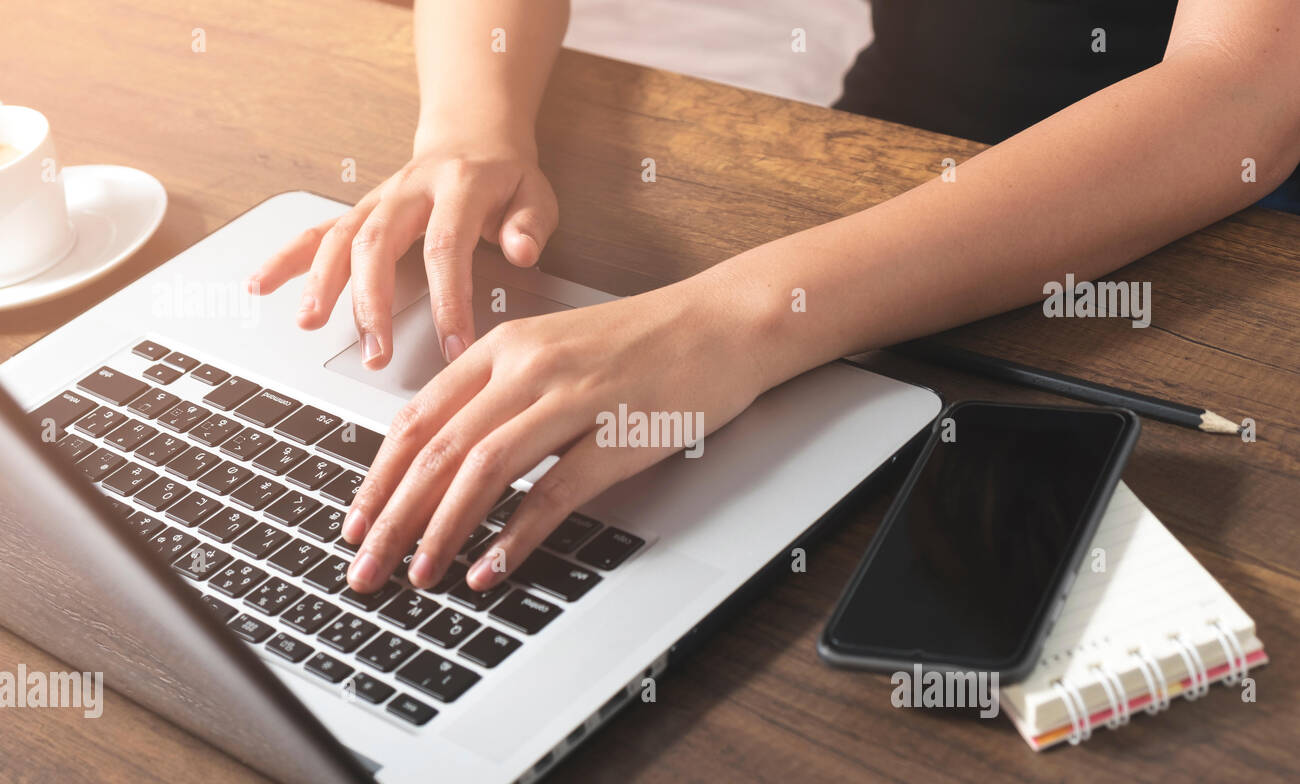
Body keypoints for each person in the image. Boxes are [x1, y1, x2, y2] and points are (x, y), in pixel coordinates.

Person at [248, 0, 1300, 597]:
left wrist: (729, 320)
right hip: (885, 152)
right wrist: (469, 126)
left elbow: (1242, 91)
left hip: (1197, 236)